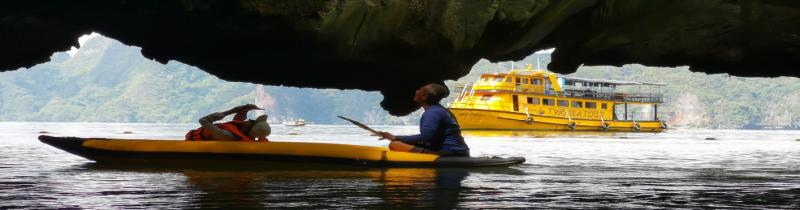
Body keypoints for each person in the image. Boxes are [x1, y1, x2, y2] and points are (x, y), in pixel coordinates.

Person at [378, 83, 470, 157]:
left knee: (394, 144)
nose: (417, 91)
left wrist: (396, 138)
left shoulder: (432, 113)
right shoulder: (441, 110)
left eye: (420, 90)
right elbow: (430, 138)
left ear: (424, 97)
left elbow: (426, 137)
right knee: (398, 143)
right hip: (459, 150)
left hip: (449, 153)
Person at [185, 104, 270, 142]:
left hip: (191, 140)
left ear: (249, 128)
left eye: (251, 122)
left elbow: (203, 120)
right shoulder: (245, 132)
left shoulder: (227, 135)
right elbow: (237, 122)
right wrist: (244, 109)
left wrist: (228, 112)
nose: (248, 120)